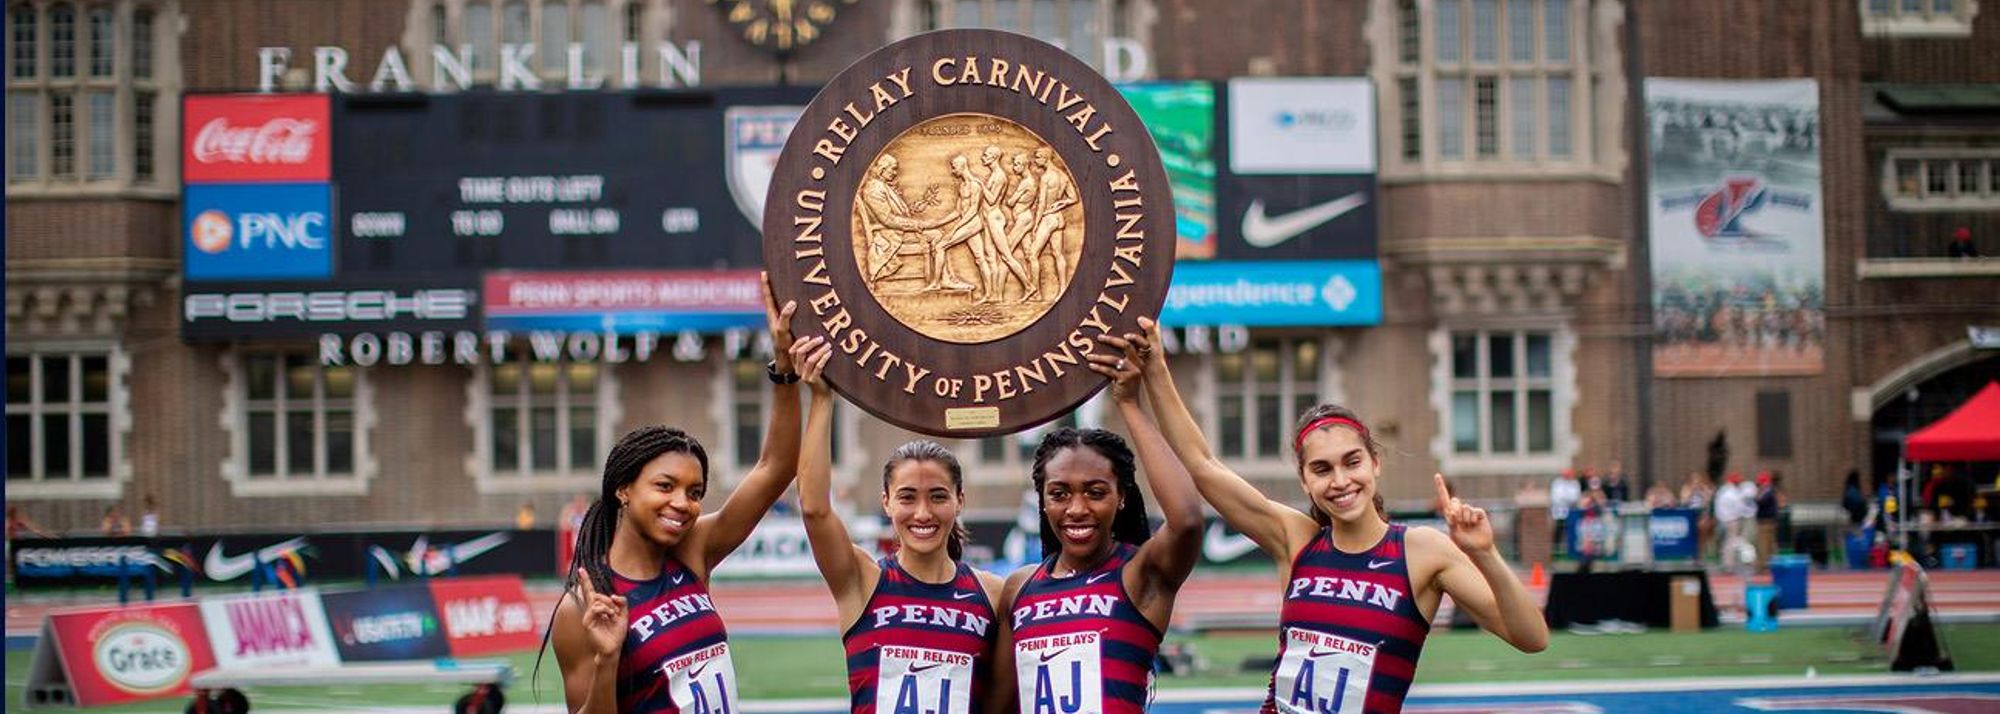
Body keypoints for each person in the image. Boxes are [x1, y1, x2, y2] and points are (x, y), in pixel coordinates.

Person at [1129, 317, 1547, 713]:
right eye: (1322, 469)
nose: (1341, 481)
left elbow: (1532, 638)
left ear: (1375, 463)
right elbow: (1203, 465)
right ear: (1305, 481)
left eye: (1352, 462)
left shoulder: (1420, 551)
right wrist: (1157, 369)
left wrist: (1485, 553)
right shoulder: (1297, 539)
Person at [547, 277, 806, 714]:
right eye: (665, 486)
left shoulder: (693, 552)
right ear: (623, 489)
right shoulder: (582, 607)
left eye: (695, 492)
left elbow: (775, 469)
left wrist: (784, 367)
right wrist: (608, 658)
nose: (682, 503)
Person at [793, 336, 1006, 714]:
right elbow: (814, 509)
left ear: (960, 500)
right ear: (886, 502)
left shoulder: (992, 595)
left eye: (938, 496)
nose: (922, 513)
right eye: (907, 497)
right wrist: (822, 400)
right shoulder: (862, 581)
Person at [993, 334, 1203, 714]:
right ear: (1042, 501)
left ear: (1121, 496)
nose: (1076, 508)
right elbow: (1000, 706)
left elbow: (1187, 520)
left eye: (1095, 492)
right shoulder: (1019, 588)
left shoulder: (1139, 574)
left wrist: (1129, 405)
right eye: (1059, 494)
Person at [1716, 472, 1758, 573]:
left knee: (1728, 543)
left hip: (1723, 520)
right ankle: (1730, 565)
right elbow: (1740, 508)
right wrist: (1749, 513)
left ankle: (1729, 564)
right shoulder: (1732, 493)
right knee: (1734, 542)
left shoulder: (1723, 490)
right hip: (1731, 520)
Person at [1549, 469, 1581, 555]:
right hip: (1559, 511)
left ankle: (1570, 550)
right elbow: (1556, 498)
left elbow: (1575, 497)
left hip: (1571, 511)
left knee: (1570, 530)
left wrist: (1566, 499)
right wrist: (1566, 499)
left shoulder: (1574, 483)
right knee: (1558, 530)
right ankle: (1556, 550)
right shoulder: (1557, 483)